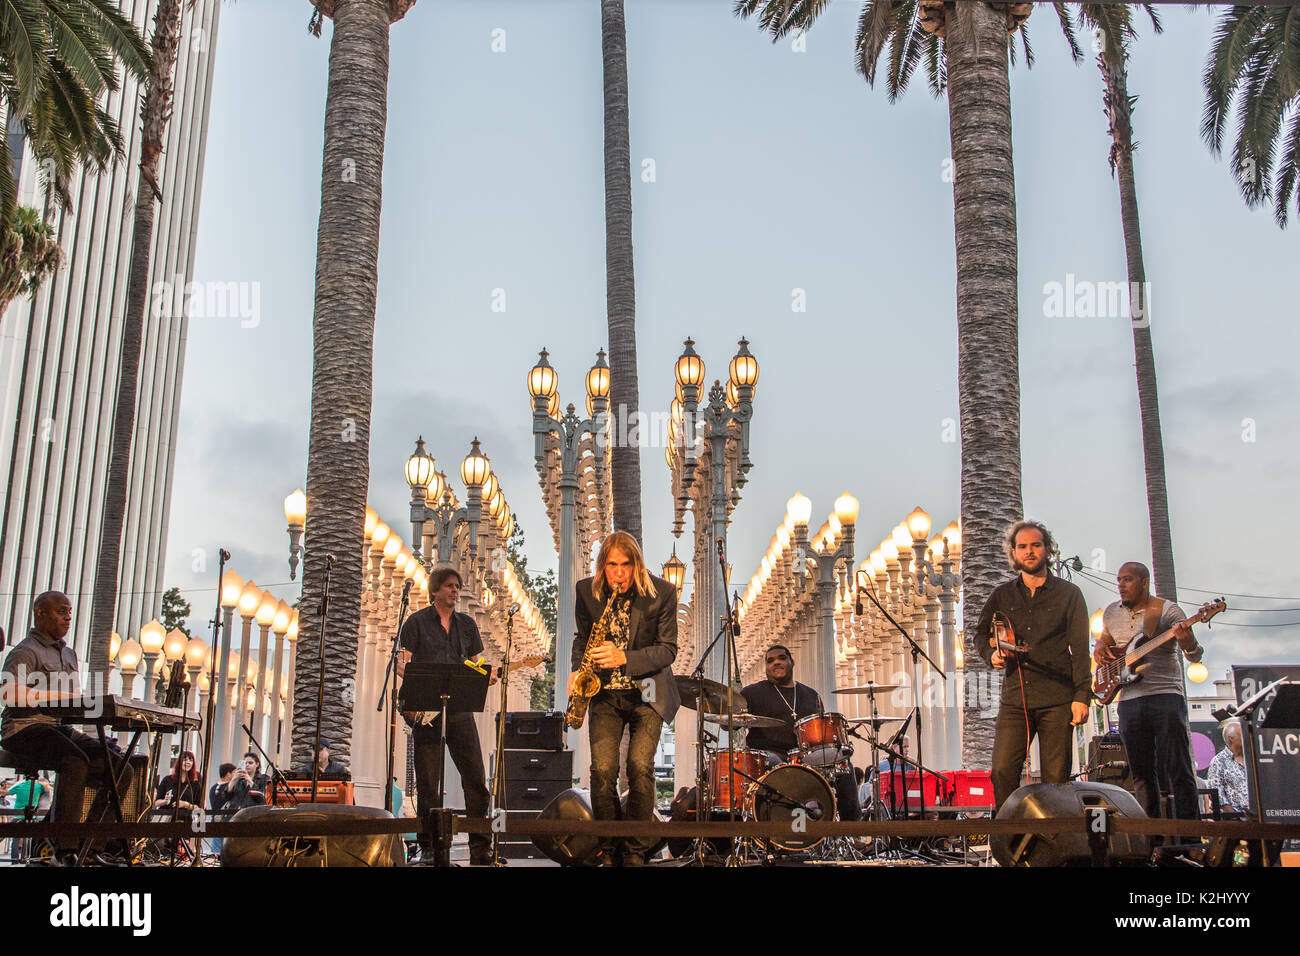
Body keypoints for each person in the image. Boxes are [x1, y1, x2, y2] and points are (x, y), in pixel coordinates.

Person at [0, 590, 137, 864]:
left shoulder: (71, 655)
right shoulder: (25, 651)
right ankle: (64, 849)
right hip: (24, 728)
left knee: (121, 768)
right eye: (61, 611)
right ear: (40, 612)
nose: (68, 617)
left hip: (57, 728)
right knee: (75, 761)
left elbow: (72, 704)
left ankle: (90, 847)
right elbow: (7, 694)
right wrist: (54, 697)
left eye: (70, 611)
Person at [570, 531, 679, 866]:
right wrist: (577, 669)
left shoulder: (662, 592)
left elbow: (668, 650)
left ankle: (634, 850)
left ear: (637, 564)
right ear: (603, 565)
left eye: (625, 565)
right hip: (604, 692)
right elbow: (582, 637)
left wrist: (624, 659)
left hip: (647, 691)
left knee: (640, 766)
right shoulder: (586, 591)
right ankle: (610, 847)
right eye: (611, 565)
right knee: (602, 770)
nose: (617, 572)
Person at [976, 521, 1091, 812]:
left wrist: (1081, 696)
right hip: (1016, 698)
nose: (1029, 552)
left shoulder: (1069, 594)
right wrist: (991, 654)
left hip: (1058, 698)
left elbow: (1080, 649)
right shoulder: (1002, 595)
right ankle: (1009, 841)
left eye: (1035, 545)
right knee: (1002, 771)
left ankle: (1056, 846)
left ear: (1048, 549)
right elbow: (979, 634)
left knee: (1056, 781)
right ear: (1013, 553)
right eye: (1023, 547)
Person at [399, 565, 496, 866]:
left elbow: (476, 664)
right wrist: (418, 680)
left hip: (458, 710)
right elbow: (402, 663)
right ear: (435, 590)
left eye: (457, 586)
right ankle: (431, 848)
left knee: (476, 779)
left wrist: (484, 676)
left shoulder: (466, 626)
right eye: (450, 586)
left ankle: (481, 848)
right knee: (428, 782)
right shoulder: (416, 623)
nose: (455, 591)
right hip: (426, 710)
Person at [1092, 562, 1203, 824]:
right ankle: (1149, 839)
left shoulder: (1167, 610)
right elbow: (1106, 642)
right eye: (1119, 580)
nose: (1121, 585)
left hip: (1165, 695)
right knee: (1141, 774)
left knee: (1178, 767)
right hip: (1129, 700)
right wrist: (1098, 646)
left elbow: (1196, 655)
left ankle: (1189, 835)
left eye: (1127, 579)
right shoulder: (1111, 612)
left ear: (1145, 582)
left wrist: (1188, 642)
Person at [741, 643, 861, 821]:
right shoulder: (752, 693)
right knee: (773, 760)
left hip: (804, 756)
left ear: (792, 661)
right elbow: (734, 720)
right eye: (770, 661)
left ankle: (850, 830)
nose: (776, 663)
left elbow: (821, 730)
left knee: (842, 765)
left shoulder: (810, 695)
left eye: (782, 658)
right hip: (769, 756)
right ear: (766, 667)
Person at [1206, 720, 1250, 817]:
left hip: (1258, 817)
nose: (1247, 737)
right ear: (1231, 739)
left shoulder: (1251, 758)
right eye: (1242, 735)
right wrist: (1234, 817)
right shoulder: (1219, 761)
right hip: (1236, 820)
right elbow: (1216, 794)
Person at [154, 751, 203, 818]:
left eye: (191, 760)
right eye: (185, 760)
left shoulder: (195, 784)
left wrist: (185, 804)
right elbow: (157, 802)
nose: (188, 762)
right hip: (167, 821)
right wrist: (165, 801)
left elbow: (198, 807)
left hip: (186, 821)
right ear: (179, 762)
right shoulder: (167, 780)